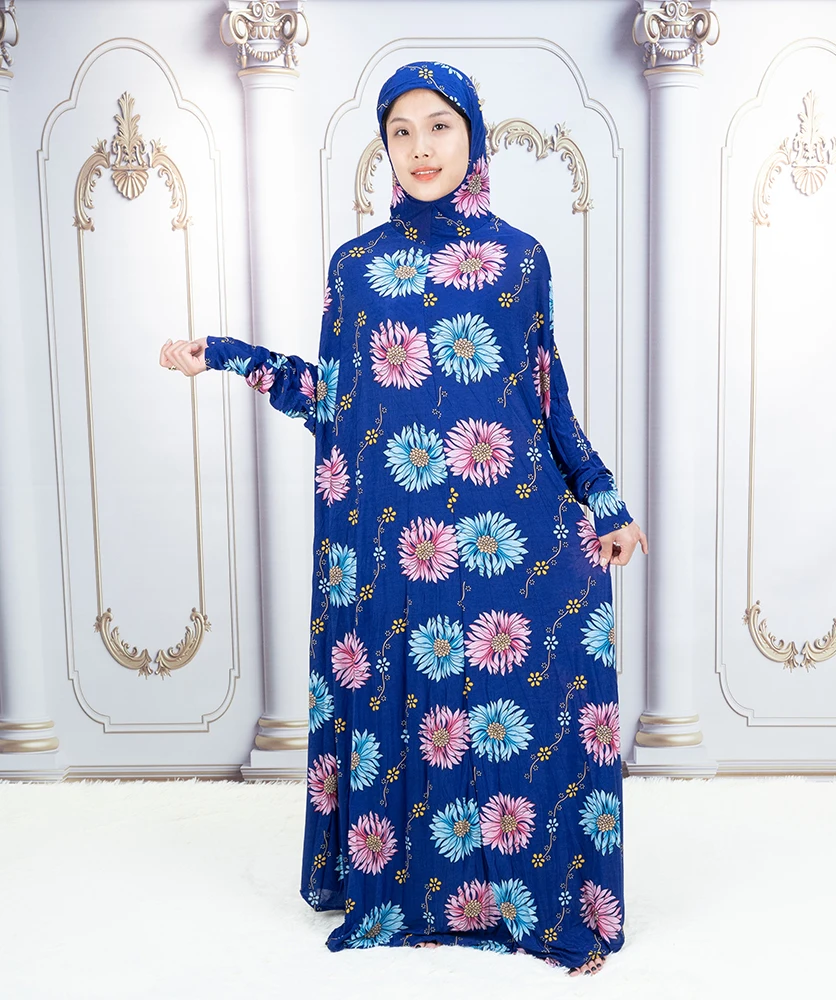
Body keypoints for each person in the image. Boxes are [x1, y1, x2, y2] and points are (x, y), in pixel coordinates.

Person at [160, 60, 647, 976]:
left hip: (507, 537)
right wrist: (223, 354)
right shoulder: (355, 269)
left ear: (474, 136)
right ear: (384, 146)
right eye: (401, 132)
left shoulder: (522, 261)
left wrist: (605, 499)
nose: (421, 149)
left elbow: (549, 403)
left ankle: (529, 897)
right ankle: (417, 896)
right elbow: (332, 396)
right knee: (415, 715)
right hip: (396, 547)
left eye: (439, 127)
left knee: (511, 710)